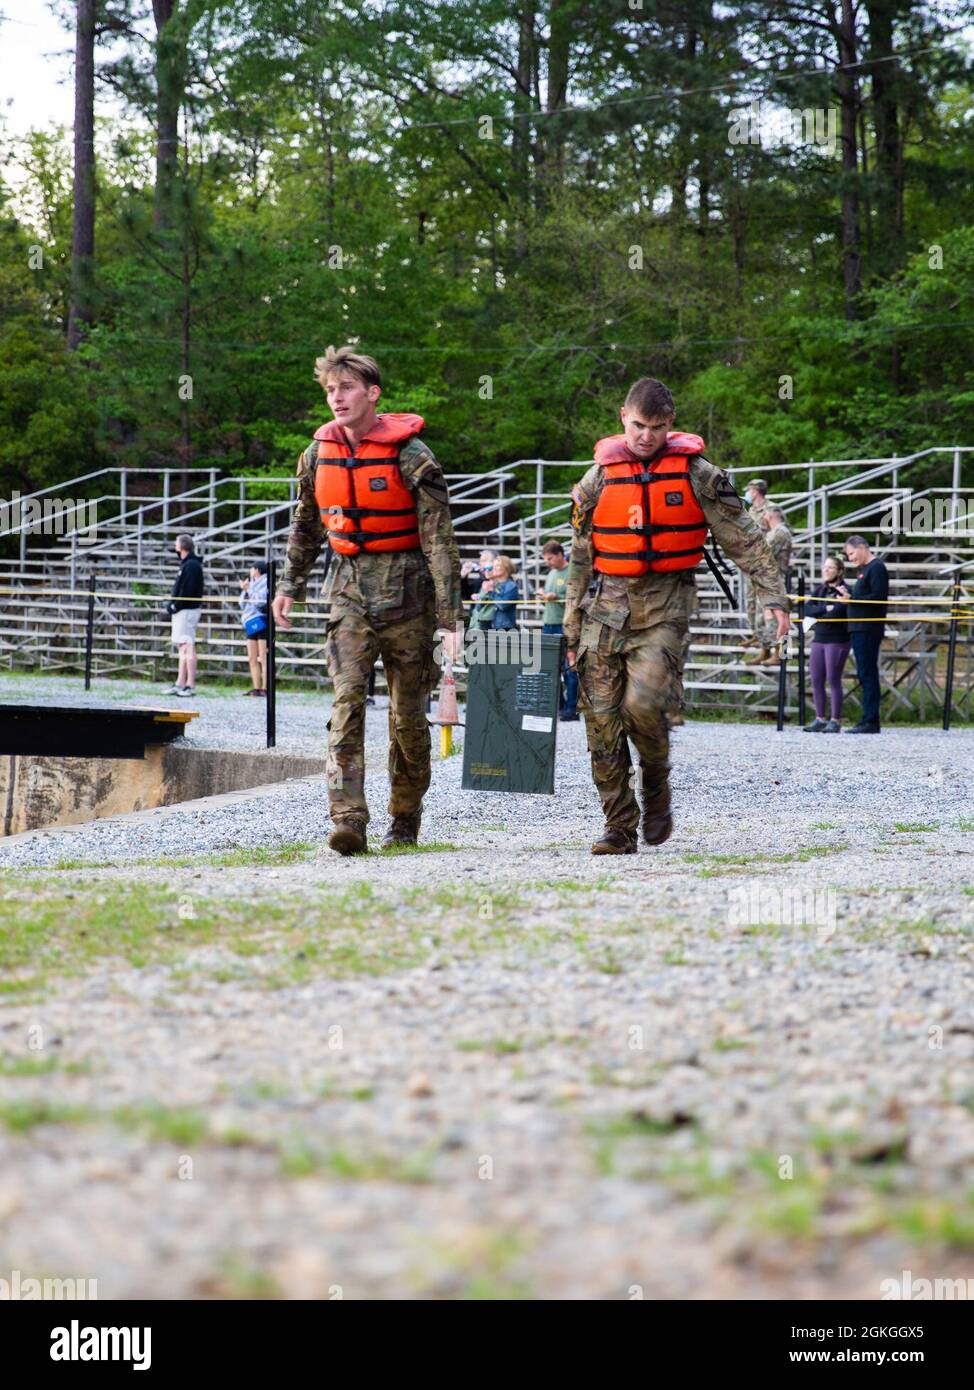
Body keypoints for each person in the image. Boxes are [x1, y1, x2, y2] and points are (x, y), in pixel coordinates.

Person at [563, 377, 789, 855]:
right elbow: (580, 555)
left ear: (671, 424)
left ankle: (656, 781)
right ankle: (619, 827)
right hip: (602, 610)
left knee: (643, 706)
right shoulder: (598, 478)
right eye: (640, 425)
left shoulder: (699, 473)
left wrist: (774, 596)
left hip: (666, 605)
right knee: (601, 723)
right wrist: (569, 625)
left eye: (658, 427)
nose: (647, 437)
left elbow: (744, 537)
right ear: (623, 417)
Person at [272, 345, 463, 854]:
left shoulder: (413, 456)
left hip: (409, 597)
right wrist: (289, 586)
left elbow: (439, 540)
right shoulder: (316, 455)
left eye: (348, 388)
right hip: (349, 592)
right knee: (346, 703)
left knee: (406, 718)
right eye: (331, 389)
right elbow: (306, 527)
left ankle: (405, 817)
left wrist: (451, 620)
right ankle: (348, 816)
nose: (337, 397)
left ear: (372, 393)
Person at [837, 534, 888, 733]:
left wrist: (852, 599)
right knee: (864, 673)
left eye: (851, 553)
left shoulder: (876, 568)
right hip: (859, 627)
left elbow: (878, 597)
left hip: (868, 628)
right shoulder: (864, 569)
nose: (850, 558)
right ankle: (867, 718)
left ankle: (871, 720)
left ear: (862, 547)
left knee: (868, 673)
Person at [802, 556, 850, 732]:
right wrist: (826, 608)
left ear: (839, 571)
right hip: (819, 638)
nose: (826, 570)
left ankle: (835, 720)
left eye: (830, 567)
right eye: (824, 567)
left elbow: (838, 613)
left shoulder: (844, 591)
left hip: (837, 639)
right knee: (816, 678)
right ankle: (820, 718)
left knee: (833, 678)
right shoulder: (820, 590)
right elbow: (807, 610)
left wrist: (824, 611)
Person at [746, 507, 794, 665]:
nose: (764, 517)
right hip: (768, 579)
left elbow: (764, 553)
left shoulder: (781, 532)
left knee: (779, 618)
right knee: (763, 618)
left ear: (772, 515)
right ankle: (765, 650)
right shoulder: (773, 532)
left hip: (777, 580)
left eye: (765, 514)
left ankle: (782, 653)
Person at [540, 539, 579, 721]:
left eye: (550, 559)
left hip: (565, 624)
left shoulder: (571, 571)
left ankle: (571, 708)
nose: (548, 563)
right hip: (548, 622)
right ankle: (559, 705)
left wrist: (557, 596)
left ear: (559, 555)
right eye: (545, 560)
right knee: (550, 666)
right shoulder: (551, 573)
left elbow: (576, 595)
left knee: (568, 666)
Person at [165, 533, 204, 696]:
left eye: (177, 543)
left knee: (188, 646)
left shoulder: (192, 565)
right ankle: (180, 683)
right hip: (182, 610)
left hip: (187, 610)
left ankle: (190, 684)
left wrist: (176, 605)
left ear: (183, 546)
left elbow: (187, 590)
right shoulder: (186, 564)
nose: (175, 546)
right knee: (182, 646)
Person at [741, 478, 770, 647]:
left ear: (756, 491)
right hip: (751, 562)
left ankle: (771, 643)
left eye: (750, 490)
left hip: (765, 564)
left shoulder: (771, 509)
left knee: (763, 605)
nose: (748, 493)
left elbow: (782, 529)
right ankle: (756, 634)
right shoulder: (750, 510)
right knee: (750, 601)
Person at [239, 560, 269, 697]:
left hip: (262, 620)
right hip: (250, 621)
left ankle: (265, 688)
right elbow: (242, 603)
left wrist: (248, 590)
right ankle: (256, 687)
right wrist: (245, 590)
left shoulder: (266, 582)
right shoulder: (251, 583)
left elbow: (260, 602)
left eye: (252, 568)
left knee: (263, 657)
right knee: (252, 657)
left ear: (256, 570)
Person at [479, 553, 519, 630]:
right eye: (493, 566)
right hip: (490, 625)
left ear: (506, 568)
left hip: (505, 627)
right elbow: (479, 607)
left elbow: (502, 605)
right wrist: (483, 593)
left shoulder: (512, 586)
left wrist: (491, 591)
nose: (493, 568)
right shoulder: (491, 583)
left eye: (497, 566)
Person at [466, 549, 497, 630]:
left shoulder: (498, 580)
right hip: (476, 620)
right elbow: (467, 595)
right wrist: (464, 576)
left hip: (491, 622)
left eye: (483, 561)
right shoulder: (480, 578)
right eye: (480, 561)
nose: (480, 563)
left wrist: (481, 595)